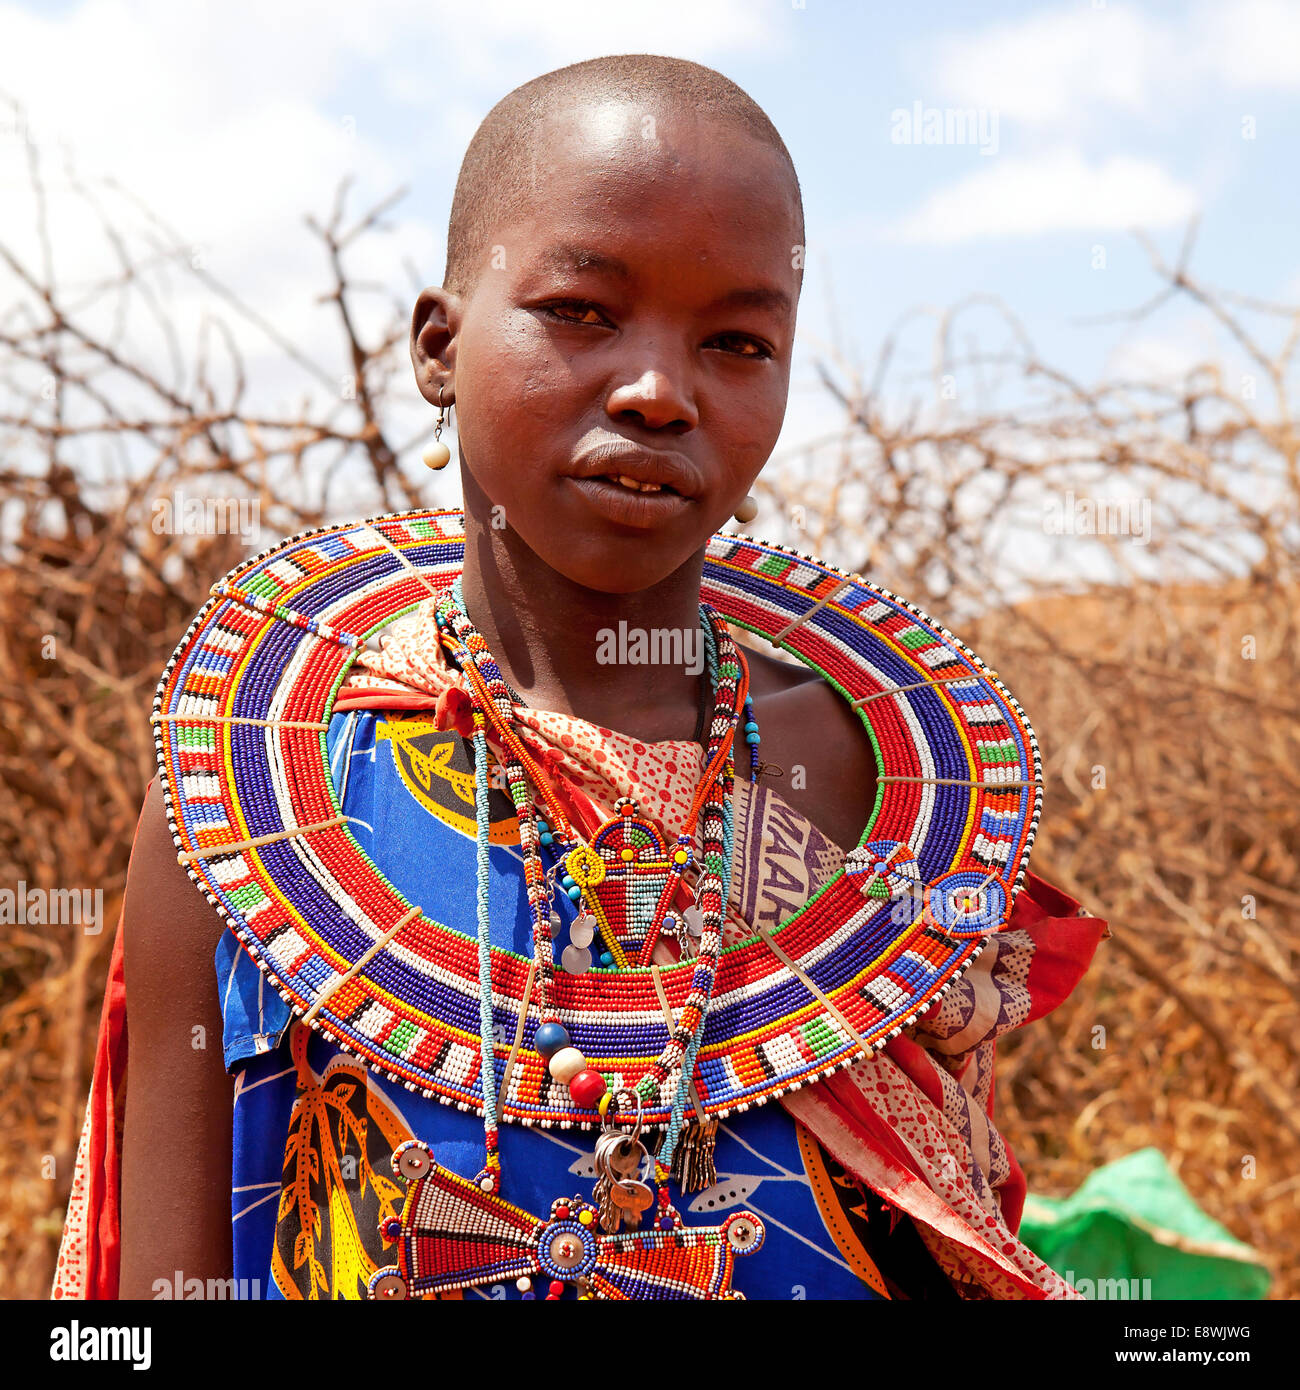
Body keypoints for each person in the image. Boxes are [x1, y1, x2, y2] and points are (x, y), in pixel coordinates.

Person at [52, 54, 1107, 1302]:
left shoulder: (868, 780)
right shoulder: (266, 788)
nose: (661, 389)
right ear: (438, 348)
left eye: (735, 339)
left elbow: (941, 1241)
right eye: (582, 312)